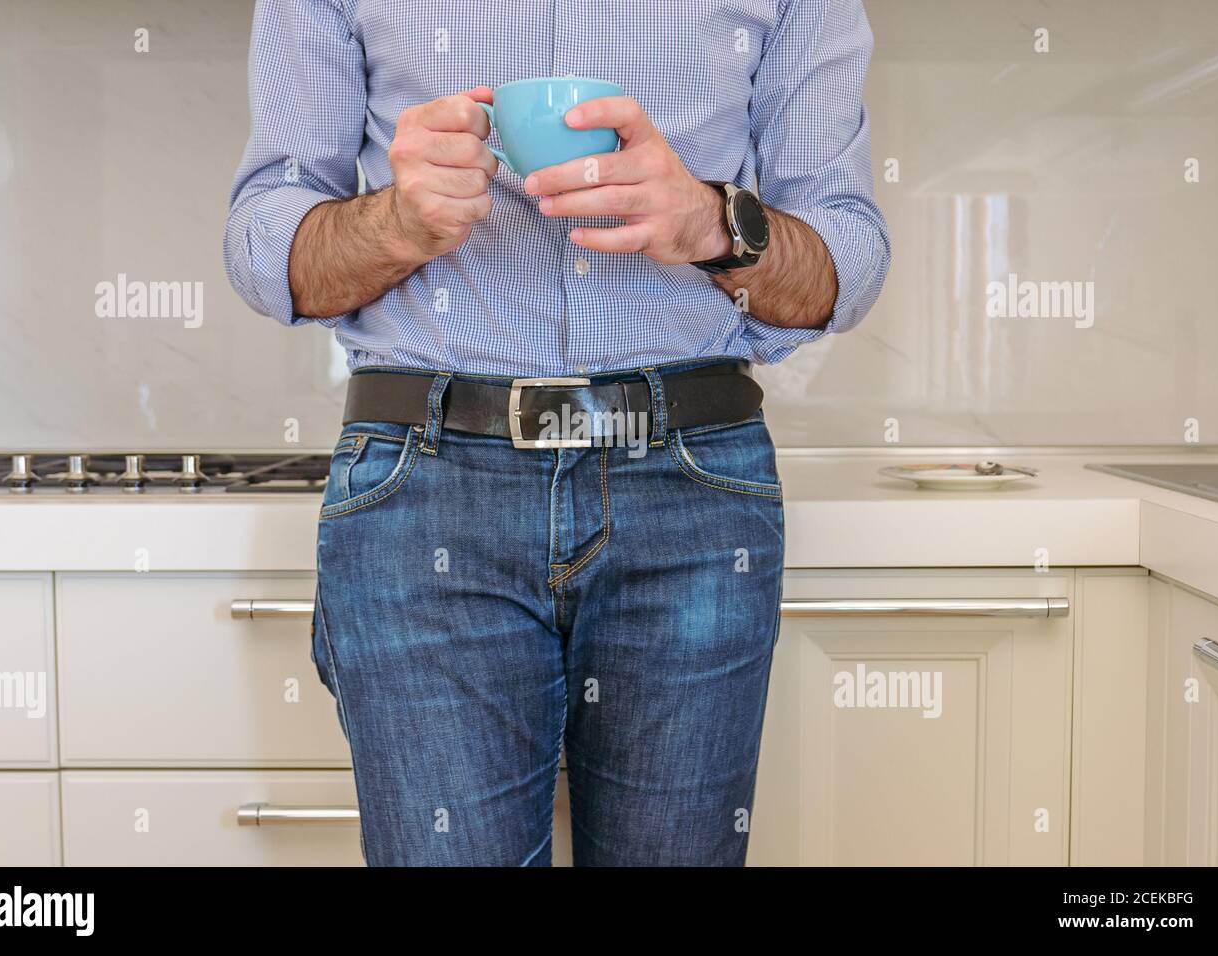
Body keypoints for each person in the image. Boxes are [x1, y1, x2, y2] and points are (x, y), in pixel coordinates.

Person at [224, 0, 889, 866]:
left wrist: (709, 221)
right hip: (423, 485)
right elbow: (261, 242)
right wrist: (396, 220)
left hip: (692, 488)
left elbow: (847, 261)